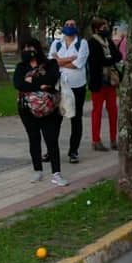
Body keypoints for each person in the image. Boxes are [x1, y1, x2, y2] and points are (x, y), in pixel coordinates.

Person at [14, 38, 68, 186]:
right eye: (25, 48)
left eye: (30, 48)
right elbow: (18, 84)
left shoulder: (50, 64)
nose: (28, 51)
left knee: (51, 139)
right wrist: (40, 84)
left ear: (37, 49)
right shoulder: (21, 67)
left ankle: (56, 173)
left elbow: (51, 79)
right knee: (34, 138)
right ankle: (37, 170)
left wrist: (32, 82)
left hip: (48, 108)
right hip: (27, 109)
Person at [49, 18, 89, 164]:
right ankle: (51, 151)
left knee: (75, 119)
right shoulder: (56, 43)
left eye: (72, 24)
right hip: (59, 86)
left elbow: (78, 64)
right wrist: (69, 59)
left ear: (76, 27)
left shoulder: (82, 43)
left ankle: (73, 151)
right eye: (67, 24)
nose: (69, 26)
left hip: (77, 86)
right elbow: (51, 63)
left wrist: (60, 61)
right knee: (55, 120)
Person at [87, 16, 123, 151]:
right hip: (98, 82)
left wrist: (109, 59)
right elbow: (97, 61)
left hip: (110, 81)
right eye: (103, 27)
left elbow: (118, 56)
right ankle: (96, 140)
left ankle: (113, 139)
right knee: (97, 111)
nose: (106, 29)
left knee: (113, 110)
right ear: (96, 29)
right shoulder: (92, 42)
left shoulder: (108, 41)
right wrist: (109, 59)